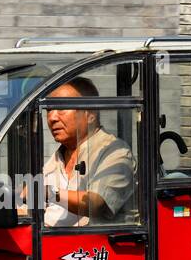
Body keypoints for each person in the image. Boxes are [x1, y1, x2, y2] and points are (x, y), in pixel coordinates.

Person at [39, 78, 135, 227]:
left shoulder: (115, 152)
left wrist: (50, 193)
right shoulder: (58, 158)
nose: (52, 117)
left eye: (61, 108)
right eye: (49, 109)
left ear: (90, 114)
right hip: (49, 243)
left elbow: (96, 203)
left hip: (90, 246)